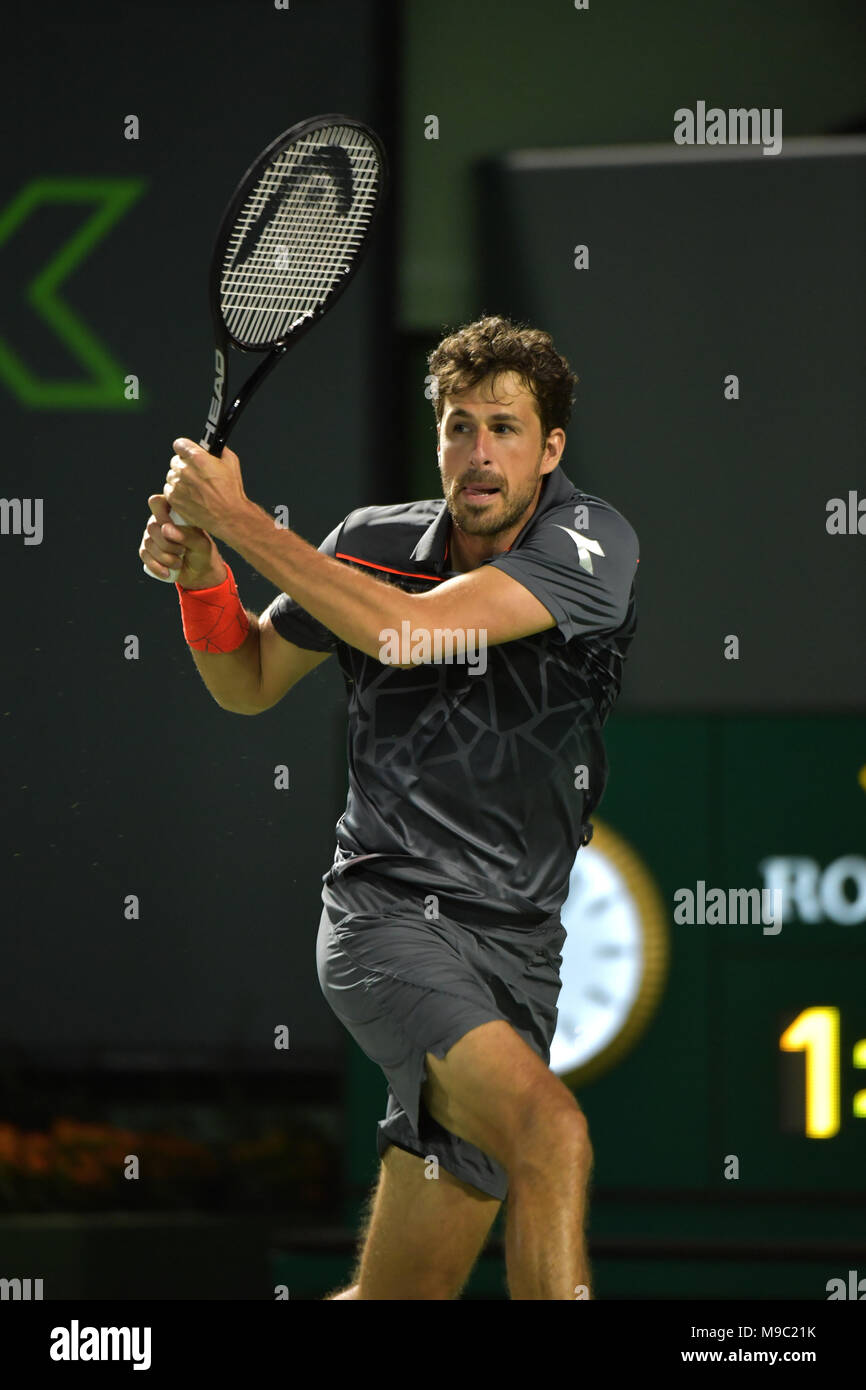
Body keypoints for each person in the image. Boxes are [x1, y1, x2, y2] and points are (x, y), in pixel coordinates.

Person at [139, 315, 639, 1300]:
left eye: (503, 427)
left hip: (520, 948)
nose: (478, 452)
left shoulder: (592, 542)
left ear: (550, 450)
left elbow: (413, 633)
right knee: (551, 1132)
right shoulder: (366, 544)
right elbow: (246, 678)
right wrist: (203, 578)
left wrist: (234, 523)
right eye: (459, 425)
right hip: (386, 921)